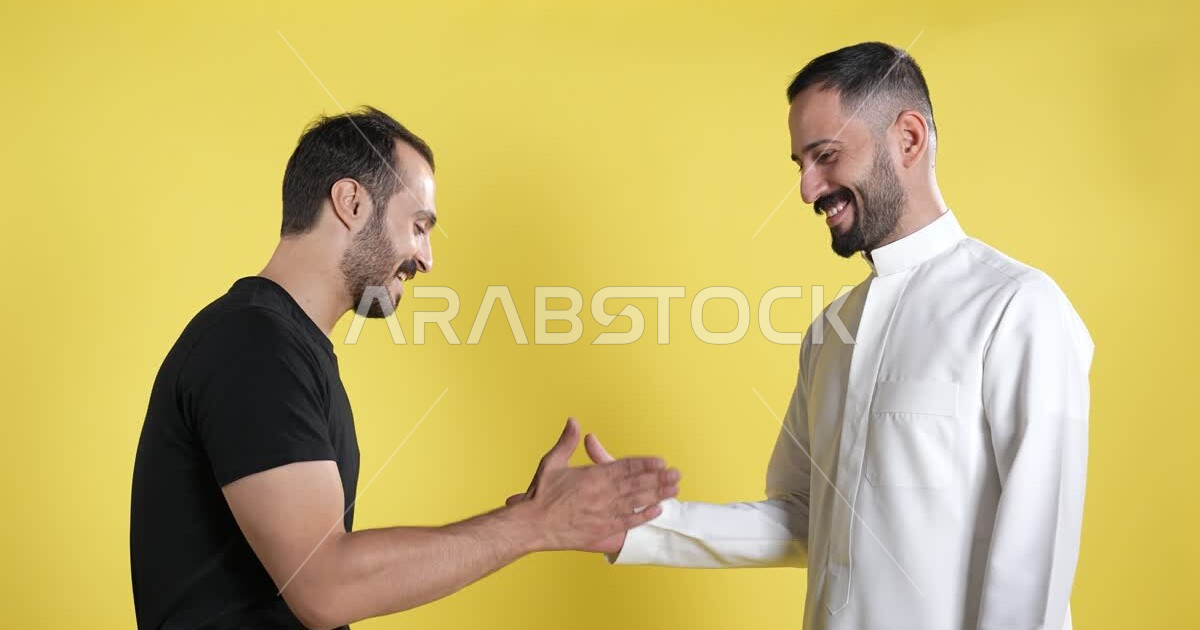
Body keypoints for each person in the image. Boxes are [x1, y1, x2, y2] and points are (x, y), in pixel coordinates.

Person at [578, 42, 1094, 630]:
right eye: (800, 163)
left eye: (825, 156)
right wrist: (640, 525)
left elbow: (1035, 558)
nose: (806, 188)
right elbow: (804, 518)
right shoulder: (830, 332)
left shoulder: (1018, 308)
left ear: (908, 139)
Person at [129, 107, 680, 630]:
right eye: (419, 224)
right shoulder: (252, 344)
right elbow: (323, 586)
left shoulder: (283, 346)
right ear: (351, 202)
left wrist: (534, 522)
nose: (427, 258)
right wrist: (535, 522)